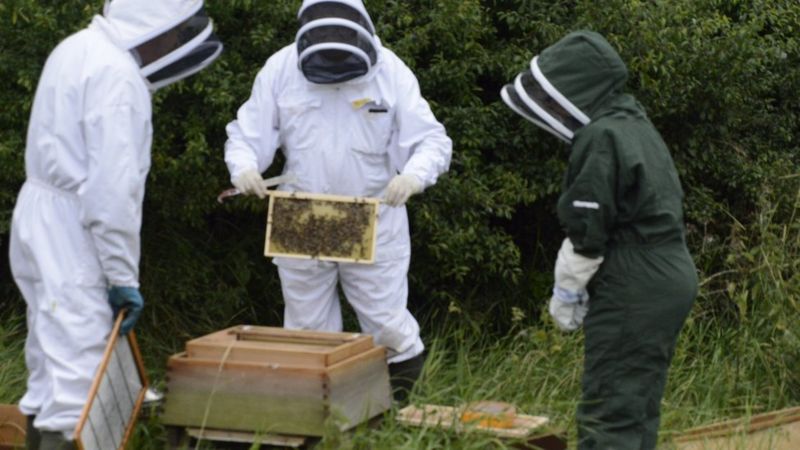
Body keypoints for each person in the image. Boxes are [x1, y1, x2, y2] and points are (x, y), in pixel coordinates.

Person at [8, 1, 222, 448]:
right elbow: (112, 196)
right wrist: (122, 277)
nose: (176, 41)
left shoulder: (77, 47)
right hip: (73, 230)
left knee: (49, 368)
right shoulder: (119, 79)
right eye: (176, 30)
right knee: (82, 382)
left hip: (39, 216)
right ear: (156, 23)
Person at [224, 0, 452, 402]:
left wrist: (415, 176)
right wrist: (244, 167)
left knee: (387, 324)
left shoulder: (390, 71)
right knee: (307, 331)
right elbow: (248, 134)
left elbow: (431, 139)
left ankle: (397, 419)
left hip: (373, 214)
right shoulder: (281, 68)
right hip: (302, 214)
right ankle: (322, 425)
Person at [501, 30, 698, 449]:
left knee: (610, 408)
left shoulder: (602, 135)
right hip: (666, 272)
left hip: (636, 278)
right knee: (637, 403)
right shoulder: (633, 123)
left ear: (577, 87)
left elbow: (589, 228)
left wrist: (567, 290)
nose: (550, 107)